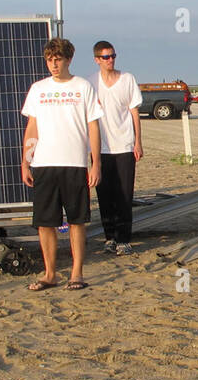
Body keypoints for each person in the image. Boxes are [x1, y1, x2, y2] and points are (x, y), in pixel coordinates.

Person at [20, 38, 102, 291]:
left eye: (57, 60)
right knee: (45, 222)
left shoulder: (83, 87)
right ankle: (50, 273)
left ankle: (76, 273)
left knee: (77, 220)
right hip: (44, 163)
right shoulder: (38, 89)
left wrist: (95, 162)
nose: (53, 65)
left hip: (74, 163)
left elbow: (93, 125)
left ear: (68, 59)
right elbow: (32, 126)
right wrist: (26, 161)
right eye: (49, 60)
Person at [91, 40, 143, 256]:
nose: (110, 60)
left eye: (112, 56)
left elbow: (134, 112)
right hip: (100, 148)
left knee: (124, 195)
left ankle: (124, 239)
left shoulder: (127, 79)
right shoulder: (90, 83)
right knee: (105, 195)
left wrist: (138, 141)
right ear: (97, 60)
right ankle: (109, 237)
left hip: (124, 146)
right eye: (105, 57)